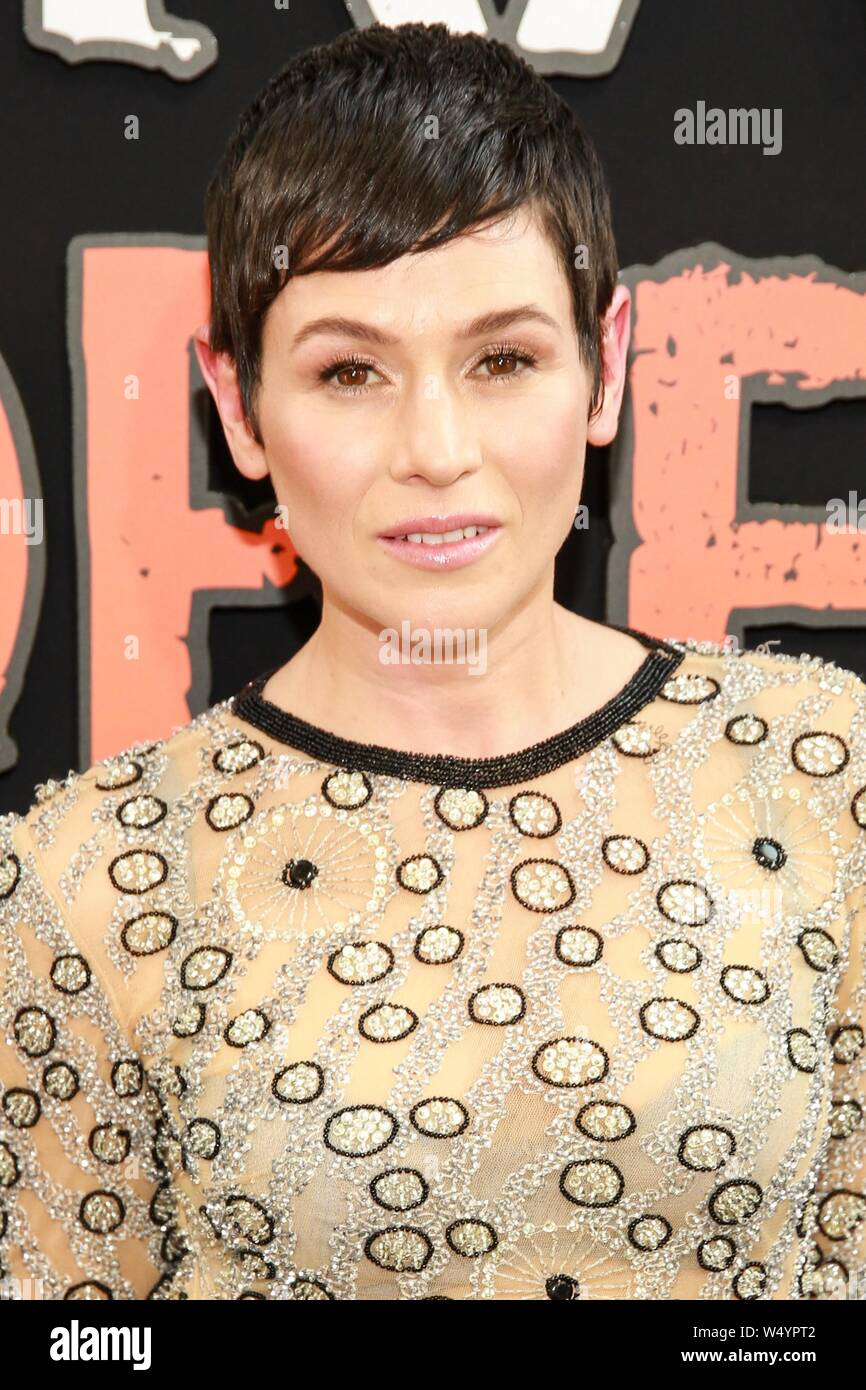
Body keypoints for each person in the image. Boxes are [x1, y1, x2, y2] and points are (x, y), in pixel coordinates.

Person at [1, 21, 864, 1302]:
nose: (436, 448)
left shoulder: (817, 770)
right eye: (349, 370)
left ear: (604, 365)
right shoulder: (87, 883)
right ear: (237, 405)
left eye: (502, 358)